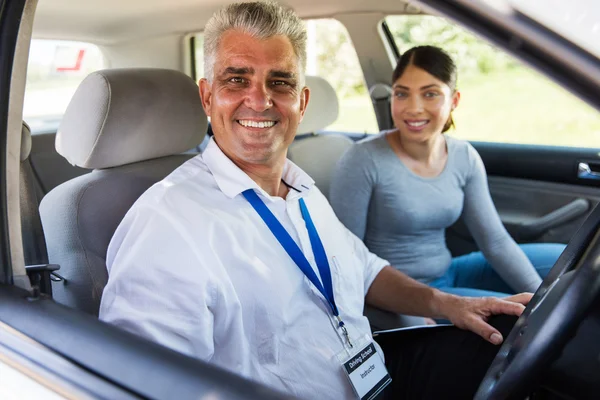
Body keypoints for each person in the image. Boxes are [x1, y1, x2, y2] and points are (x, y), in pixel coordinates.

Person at [99, 3, 532, 399]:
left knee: (517, 337)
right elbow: (145, 384)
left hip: (375, 373)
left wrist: (446, 304)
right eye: (237, 79)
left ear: (301, 102)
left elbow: (363, 269)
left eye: (280, 82)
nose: (260, 99)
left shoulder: (301, 189)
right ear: (207, 96)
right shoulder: (167, 224)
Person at [330, 45, 565, 299]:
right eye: (402, 94)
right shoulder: (363, 160)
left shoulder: (464, 156)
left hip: (449, 272)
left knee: (567, 260)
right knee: (513, 315)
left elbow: (495, 242)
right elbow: (346, 258)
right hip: (404, 295)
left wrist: (539, 297)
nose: (414, 108)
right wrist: (410, 311)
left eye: (430, 94)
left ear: (454, 101)